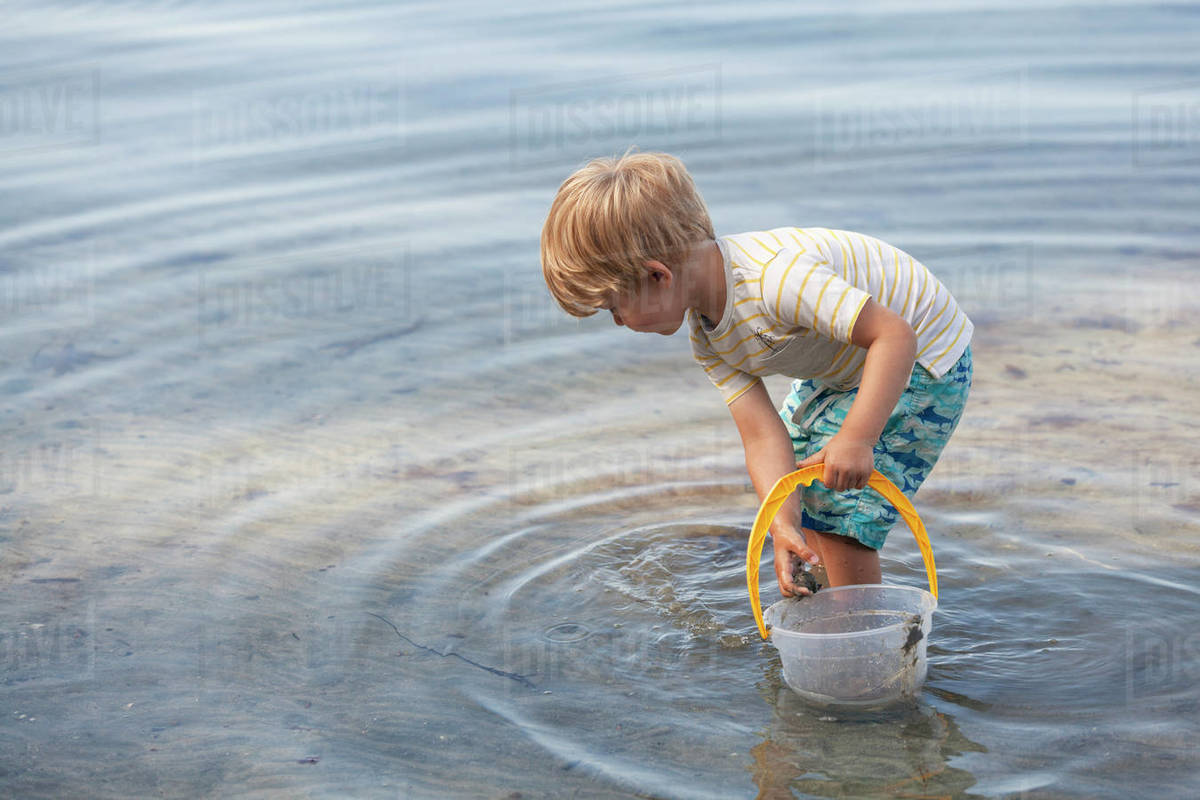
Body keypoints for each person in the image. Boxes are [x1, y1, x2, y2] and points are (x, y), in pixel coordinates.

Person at [539, 149, 972, 599]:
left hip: (923, 357)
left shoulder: (776, 280)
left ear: (658, 276)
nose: (617, 322)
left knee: (841, 507)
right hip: (845, 366)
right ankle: (827, 601)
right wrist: (781, 523)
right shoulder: (708, 337)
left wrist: (857, 439)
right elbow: (764, 438)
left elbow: (895, 335)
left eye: (613, 307)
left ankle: (859, 631)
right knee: (801, 490)